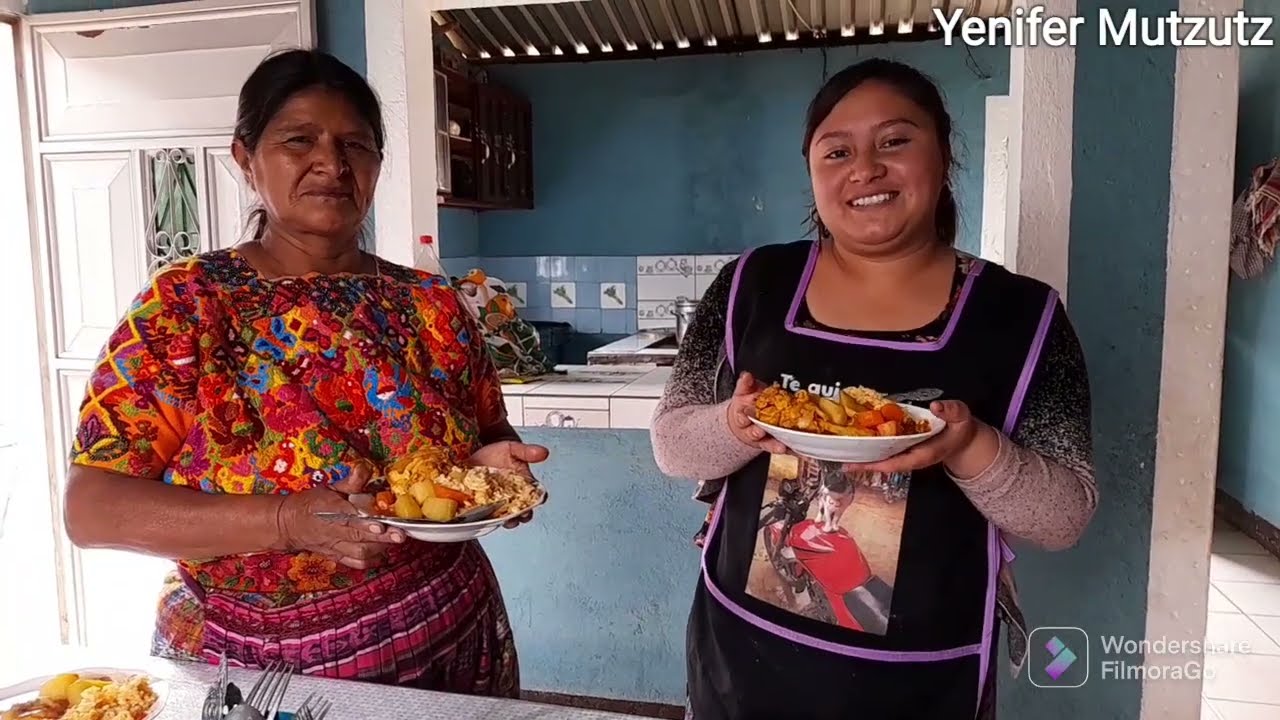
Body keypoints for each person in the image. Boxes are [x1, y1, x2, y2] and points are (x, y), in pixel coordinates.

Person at [62, 49, 547, 696]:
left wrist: (495, 472)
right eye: (300, 140)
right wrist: (285, 520)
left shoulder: (431, 306)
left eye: (356, 145)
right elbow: (92, 509)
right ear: (245, 157)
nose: (333, 163)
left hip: (446, 641)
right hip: (251, 673)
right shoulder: (188, 307)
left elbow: (482, 436)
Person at [650, 59, 1098, 719]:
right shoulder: (750, 283)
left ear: (944, 155)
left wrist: (969, 446)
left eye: (894, 141)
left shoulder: (1021, 315)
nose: (864, 168)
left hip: (920, 679)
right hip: (741, 660)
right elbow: (670, 446)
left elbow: (1065, 518)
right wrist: (733, 426)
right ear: (812, 169)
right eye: (838, 151)